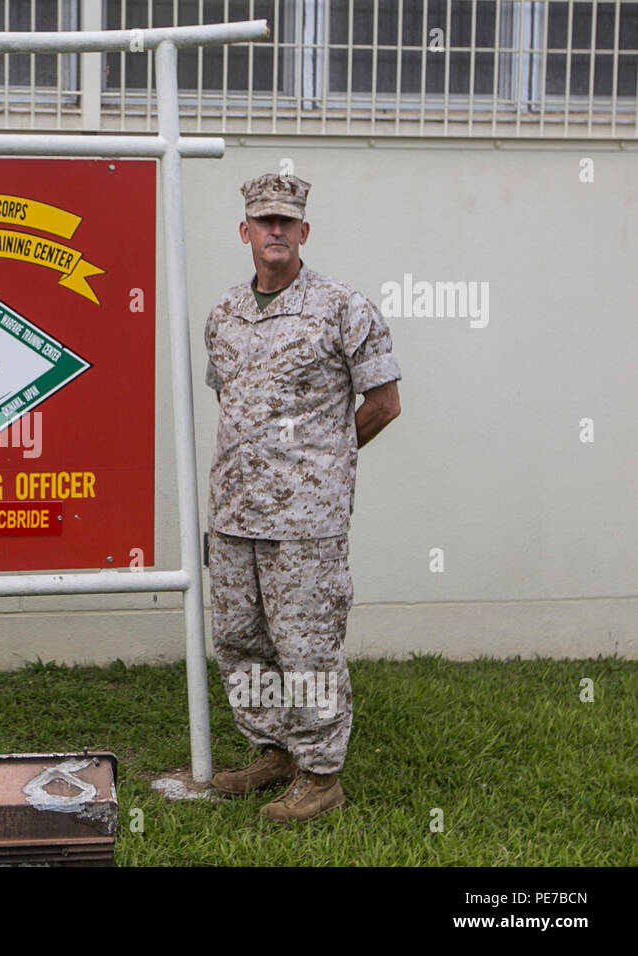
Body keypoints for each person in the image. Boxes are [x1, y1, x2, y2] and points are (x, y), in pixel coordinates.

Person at [203, 173, 401, 823]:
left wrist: (325, 462)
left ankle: (321, 774)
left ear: (304, 232)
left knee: (306, 644)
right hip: (234, 514)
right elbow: (232, 403)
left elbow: (384, 402)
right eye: (265, 221)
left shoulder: (343, 307)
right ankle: (275, 750)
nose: (276, 231)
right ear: (246, 232)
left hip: (305, 520)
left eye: (287, 221)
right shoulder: (224, 315)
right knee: (240, 637)